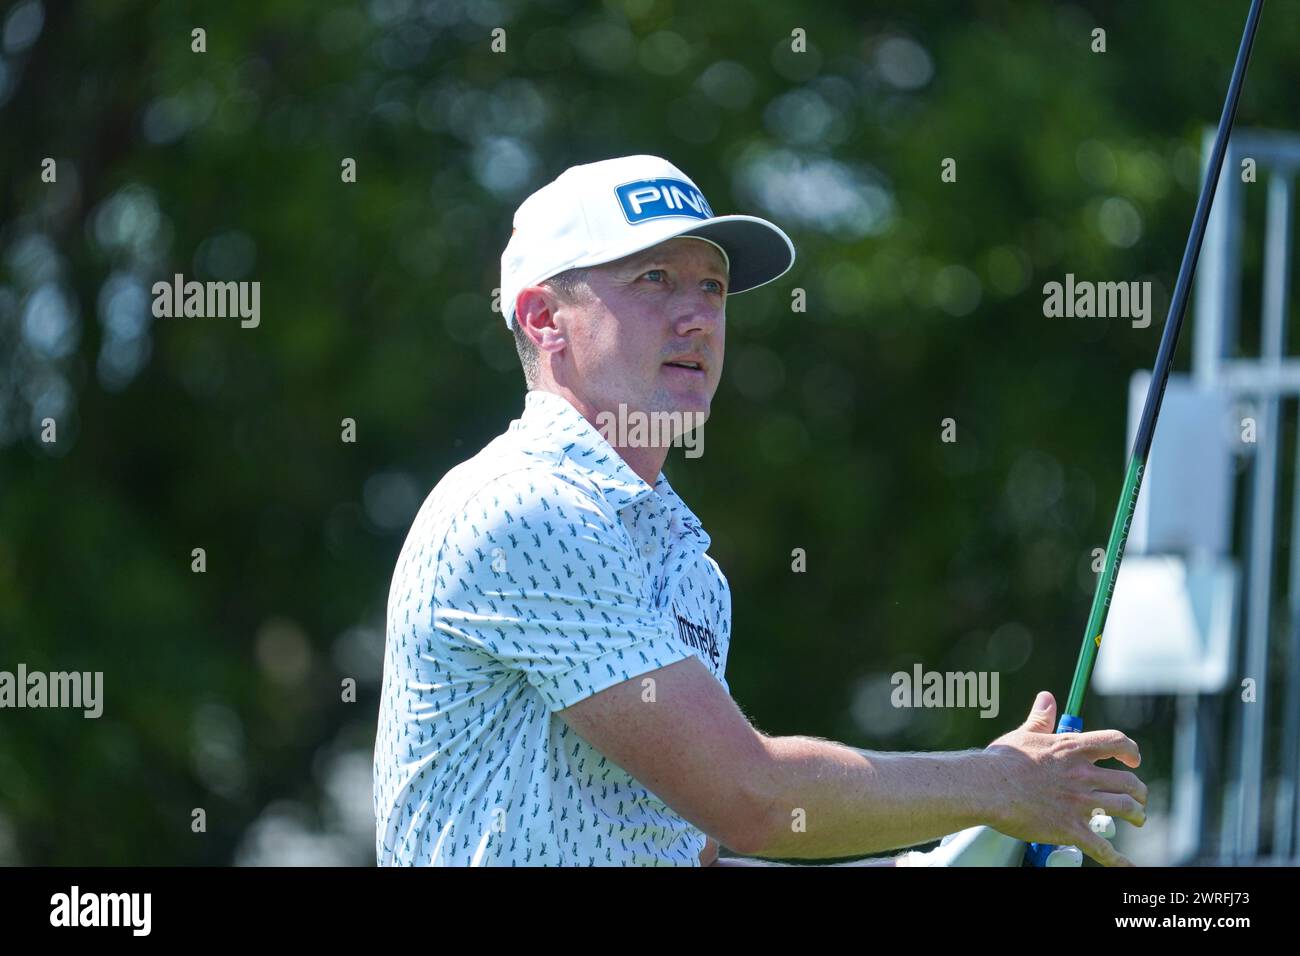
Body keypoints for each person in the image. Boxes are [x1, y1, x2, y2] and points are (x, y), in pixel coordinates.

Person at [372, 154, 1147, 866]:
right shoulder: (524, 510)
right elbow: (750, 798)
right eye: (654, 280)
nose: (699, 316)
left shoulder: (687, 566)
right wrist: (998, 784)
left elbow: (698, 849)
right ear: (544, 319)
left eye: (710, 286)